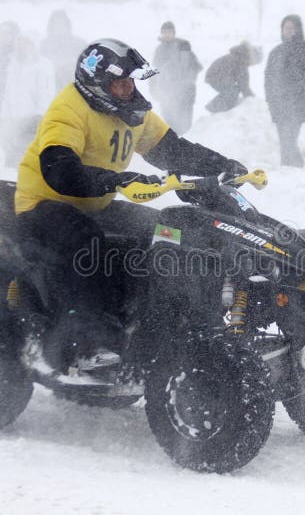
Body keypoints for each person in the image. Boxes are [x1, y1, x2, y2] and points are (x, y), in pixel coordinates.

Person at [15, 38, 247, 375]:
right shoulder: (68, 110)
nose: (128, 89)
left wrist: (223, 165)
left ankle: (153, 321)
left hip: (96, 201)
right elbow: (59, 170)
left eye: (131, 82)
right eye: (121, 83)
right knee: (89, 244)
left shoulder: (130, 113)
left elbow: (172, 151)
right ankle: (88, 341)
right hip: (45, 203)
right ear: (98, 85)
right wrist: (118, 180)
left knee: (164, 233)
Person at [264, 14, 305, 168]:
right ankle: (288, 169)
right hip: (277, 104)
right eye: (285, 28)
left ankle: (296, 168)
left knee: (289, 139)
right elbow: (268, 78)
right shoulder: (276, 52)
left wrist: (292, 88)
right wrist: (270, 99)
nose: (287, 31)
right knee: (284, 140)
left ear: (298, 30)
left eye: (291, 28)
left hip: (297, 104)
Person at [0, 33, 54, 167]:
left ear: (34, 45)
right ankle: (12, 183)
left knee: (28, 158)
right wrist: (4, 117)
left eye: (26, 43)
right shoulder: (12, 64)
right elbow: (8, 93)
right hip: (13, 120)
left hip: (32, 120)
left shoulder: (43, 65)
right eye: (20, 42)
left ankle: (26, 183)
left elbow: (46, 93)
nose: (22, 46)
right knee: (12, 156)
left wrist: (40, 117)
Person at [151, 21, 202, 134]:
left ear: (174, 33)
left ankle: (186, 146)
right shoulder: (159, 50)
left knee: (184, 124)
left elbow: (195, 67)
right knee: (169, 124)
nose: (167, 34)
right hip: (167, 93)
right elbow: (155, 71)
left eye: (169, 32)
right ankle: (173, 147)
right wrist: (154, 89)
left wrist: (186, 82)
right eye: (164, 32)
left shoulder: (182, 46)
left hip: (185, 93)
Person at [204, 41, 261, 113]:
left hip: (216, 75)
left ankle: (217, 107)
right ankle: (215, 108)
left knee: (233, 91)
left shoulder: (240, 55)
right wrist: (251, 99)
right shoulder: (242, 61)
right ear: (253, 58)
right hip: (217, 76)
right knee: (232, 91)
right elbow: (244, 85)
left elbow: (243, 83)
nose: (252, 65)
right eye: (254, 63)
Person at [40, 10, 86, 92]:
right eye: (56, 24)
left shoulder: (78, 43)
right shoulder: (44, 44)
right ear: (51, 26)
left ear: (67, 25)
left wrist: (69, 66)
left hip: (72, 85)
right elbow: (39, 64)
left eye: (62, 23)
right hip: (49, 85)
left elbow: (85, 64)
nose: (59, 27)